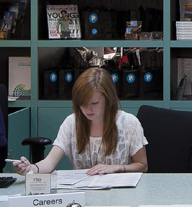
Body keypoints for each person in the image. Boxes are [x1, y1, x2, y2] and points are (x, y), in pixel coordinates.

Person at [15, 67, 148, 175]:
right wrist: (32, 169)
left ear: (108, 99)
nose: (88, 109)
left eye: (94, 103)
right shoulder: (72, 122)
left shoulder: (129, 123)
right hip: (83, 194)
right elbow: (50, 162)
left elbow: (142, 166)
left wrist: (117, 168)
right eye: (82, 104)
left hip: (120, 194)